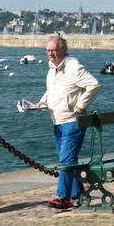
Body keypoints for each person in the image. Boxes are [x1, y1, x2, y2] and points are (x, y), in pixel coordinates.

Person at [31, 36, 101, 210]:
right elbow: (52, 91)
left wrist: (81, 105)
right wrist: (41, 103)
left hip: (72, 121)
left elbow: (94, 84)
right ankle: (76, 195)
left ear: (63, 50)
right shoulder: (51, 69)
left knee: (66, 161)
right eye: (47, 50)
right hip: (57, 121)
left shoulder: (73, 66)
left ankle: (61, 197)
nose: (50, 53)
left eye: (53, 50)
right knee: (69, 160)